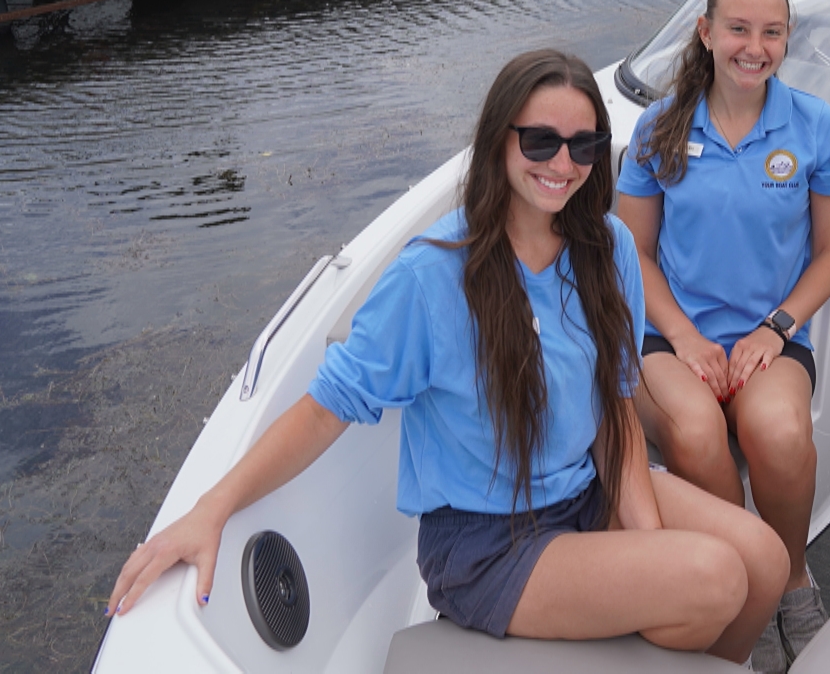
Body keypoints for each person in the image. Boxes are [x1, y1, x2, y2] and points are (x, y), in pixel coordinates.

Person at [105, 50, 788, 664]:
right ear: (499, 142)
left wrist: (643, 538)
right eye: (541, 140)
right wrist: (210, 509)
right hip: (488, 547)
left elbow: (614, 413)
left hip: (585, 491)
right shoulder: (433, 275)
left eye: (584, 145)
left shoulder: (607, 250)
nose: (563, 163)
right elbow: (324, 411)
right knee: (716, 577)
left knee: (764, 560)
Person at [617, 0, 830, 671]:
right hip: (668, 331)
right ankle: (740, 589)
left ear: (787, 39)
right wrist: (687, 339)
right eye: (739, 29)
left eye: (772, 32)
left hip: (770, 335)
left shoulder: (814, 126)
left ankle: (788, 579)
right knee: (693, 430)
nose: (755, 46)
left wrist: (774, 329)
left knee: (780, 433)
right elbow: (631, 252)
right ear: (707, 33)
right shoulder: (659, 126)